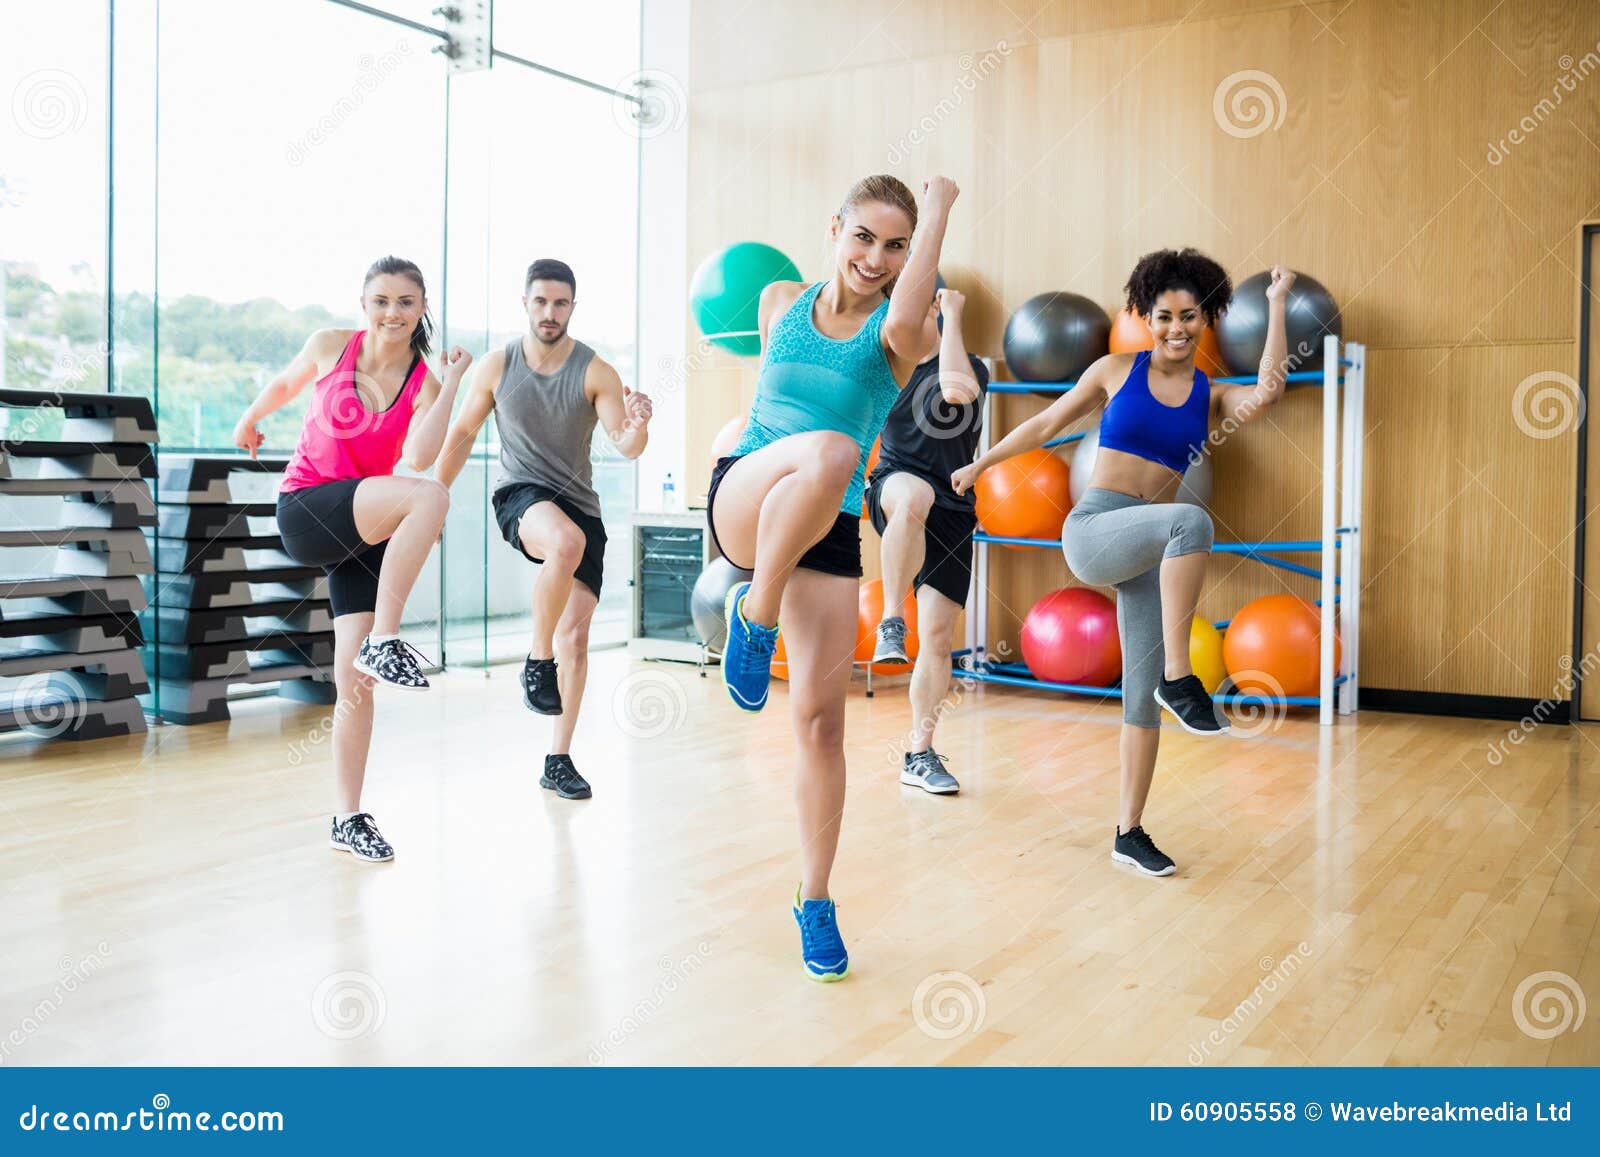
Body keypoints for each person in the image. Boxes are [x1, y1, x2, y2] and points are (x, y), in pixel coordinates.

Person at [952, 251, 1295, 877]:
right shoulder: (1115, 369)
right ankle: (1178, 677)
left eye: (1189, 317)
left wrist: (1274, 304)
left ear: (1205, 320)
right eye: (1164, 316)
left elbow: (1269, 390)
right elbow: (1047, 423)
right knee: (1192, 520)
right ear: (1146, 316)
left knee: (1139, 705)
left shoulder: (1210, 394)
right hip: (1093, 529)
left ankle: (1128, 832)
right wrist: (980, 465)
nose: (1176, 329)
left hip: (1146, 548)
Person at [707, 174, 956, 980]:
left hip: (823, 528)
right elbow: (763, 411)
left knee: (821, 723)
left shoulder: (899, 337)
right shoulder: (780, 299)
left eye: (895, 246)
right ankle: (758, 610)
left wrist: (940, 212)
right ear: (835, 228)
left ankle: (815, 898)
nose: (875, 259)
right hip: (748, 491)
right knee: (836, 450)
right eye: (864, 237)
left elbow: (916, 311)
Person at [233, 255, 469, 863]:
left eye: (406, 303)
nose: (393, 313)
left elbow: (420, 451)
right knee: (431, 498)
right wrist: (252, 416)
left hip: (363, 527)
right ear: (364, 304)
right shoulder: (330, 345)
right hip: (308, 507)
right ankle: (385, 638)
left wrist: (452, 384)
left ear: (422, 310)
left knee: (354, 685)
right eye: (381, 301)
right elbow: (287, 385)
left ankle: (348, 817)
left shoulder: (424, 381)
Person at [436, 258, 652, 801]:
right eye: (540, 302)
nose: (549, 312)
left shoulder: (596, 370)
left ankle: (558, 759)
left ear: (572, 307)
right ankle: (537, 660)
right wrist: (433, 500)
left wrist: (640, 426)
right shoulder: (497, 365)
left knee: (576, 638)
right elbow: (462, 432)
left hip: (581, 506)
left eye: (560, 303)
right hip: (522, 496)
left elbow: (625, 445)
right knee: (564, 543)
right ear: (525, 304)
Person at [864, 287, 987, 795]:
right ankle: (892, 619)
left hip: (955, 507)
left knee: (937, 639)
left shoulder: (970, 366)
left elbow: (956, 392)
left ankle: (919, 751)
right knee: (913, 495)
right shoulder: (884, 370)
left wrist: (952, 316)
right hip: (896, 486)